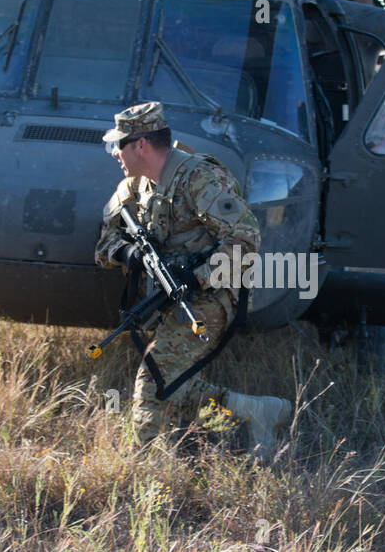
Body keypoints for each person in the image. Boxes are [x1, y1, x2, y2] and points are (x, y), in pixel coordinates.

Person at [94, 102, 291, 456]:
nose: (113, 154)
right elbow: (103, 244)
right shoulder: (132, 188)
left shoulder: (198, 177)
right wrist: (129, 254)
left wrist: (196, 276)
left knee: (153, 377)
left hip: (208, 297)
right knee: (174, 383)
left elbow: (246, 241)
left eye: (118, 144)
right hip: (163, 298)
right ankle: (256, 410)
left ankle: (144, 472)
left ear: (141, 145)